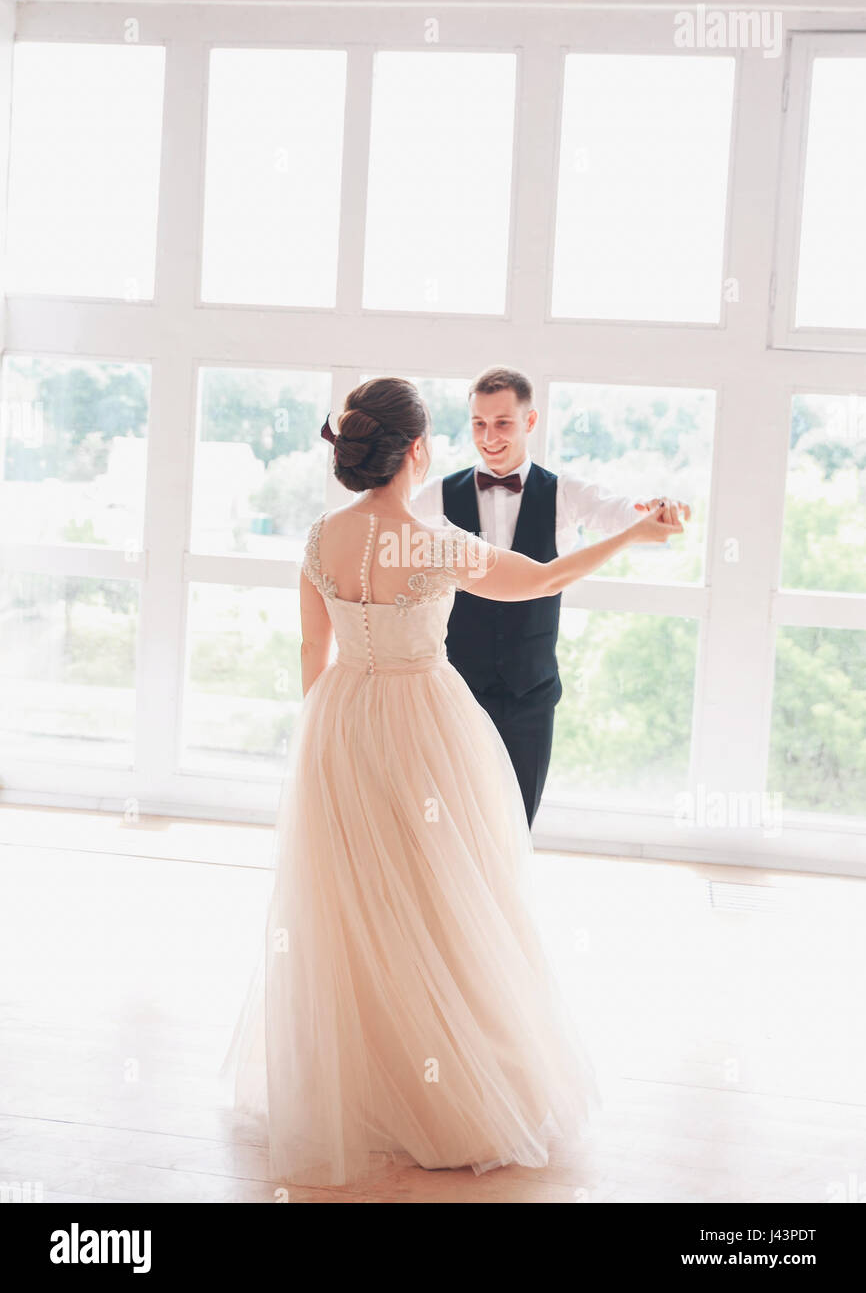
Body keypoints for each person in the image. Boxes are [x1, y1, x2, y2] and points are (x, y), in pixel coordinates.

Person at [220, 375, 684, 1189]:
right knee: (445, 896)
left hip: (339, 722)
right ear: (415, 450)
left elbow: (309, 653)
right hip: (424, 724)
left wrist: (320, 737)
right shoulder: (428, 542)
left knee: (351, 901)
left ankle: (358, 1087)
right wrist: (632, 538)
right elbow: (539, 579)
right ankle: (440, 1091)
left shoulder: (319, 536)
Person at [413, 366, 691, 827]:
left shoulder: (565, 492)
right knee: (453, 824)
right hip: (457, 691)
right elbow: (386, 526)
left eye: (502, 422)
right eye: (479, 423)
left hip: (531, 693)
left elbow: (621, 513)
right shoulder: (437, 496)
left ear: (530, 421)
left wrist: (659, 509)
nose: (489, 436)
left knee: (516, 825)